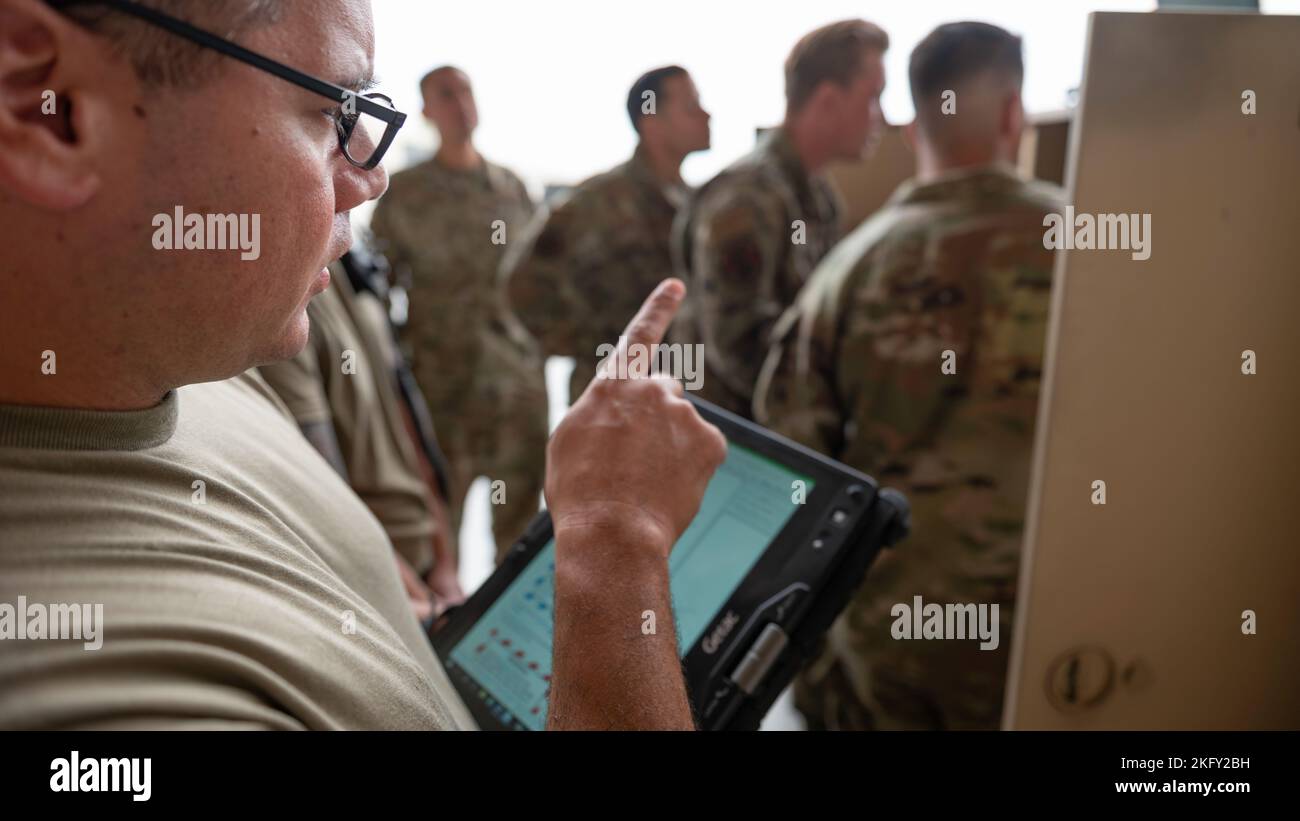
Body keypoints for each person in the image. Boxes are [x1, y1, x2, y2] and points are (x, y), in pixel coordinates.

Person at [0, 0, 724, 730]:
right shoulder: (89, 697)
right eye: (330, 110)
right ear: (48, 109)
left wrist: (390, 623)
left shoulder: (193, 367)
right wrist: (615, 544)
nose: (370, 175)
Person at [755, 21, 1064, 730]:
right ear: (1013, 113)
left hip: (890, 650)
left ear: (913, 123)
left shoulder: (845, 274)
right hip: (1056, 638)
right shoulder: (1095, 251)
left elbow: (794, 474)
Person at [370, 64, 547, 563]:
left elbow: (538, 283)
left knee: (519, 541)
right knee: (435, 537)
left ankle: (508, 636)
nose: (460, 103)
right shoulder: (405, 193)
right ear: (427, 112)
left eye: (465, 91)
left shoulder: (510, 188)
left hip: (514, 393)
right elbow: (377, 289)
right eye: (445, 95)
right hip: (440, 393)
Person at [672, 19, 888, 418]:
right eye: (873, 97)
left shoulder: (816, 195)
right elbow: (740, 350)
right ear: (827, 101)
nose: (881, 116)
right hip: (729, 448)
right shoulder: (746, 200)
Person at [257, 249, 465, 622]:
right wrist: (423, 609)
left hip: (422, 567)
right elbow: (325, 494)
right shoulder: (279, 300)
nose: (369, 189)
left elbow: (408, 424)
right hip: (373, 587)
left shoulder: (349, 259)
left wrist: (445, 566)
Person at [502, 65, 711, 400]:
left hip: (683, 388)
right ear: (651, 122)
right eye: (691, 106)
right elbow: (523, 285)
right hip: (612, 400)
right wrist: (593, 345)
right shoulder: (599, 201)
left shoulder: (695, 203)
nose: (707, 114)